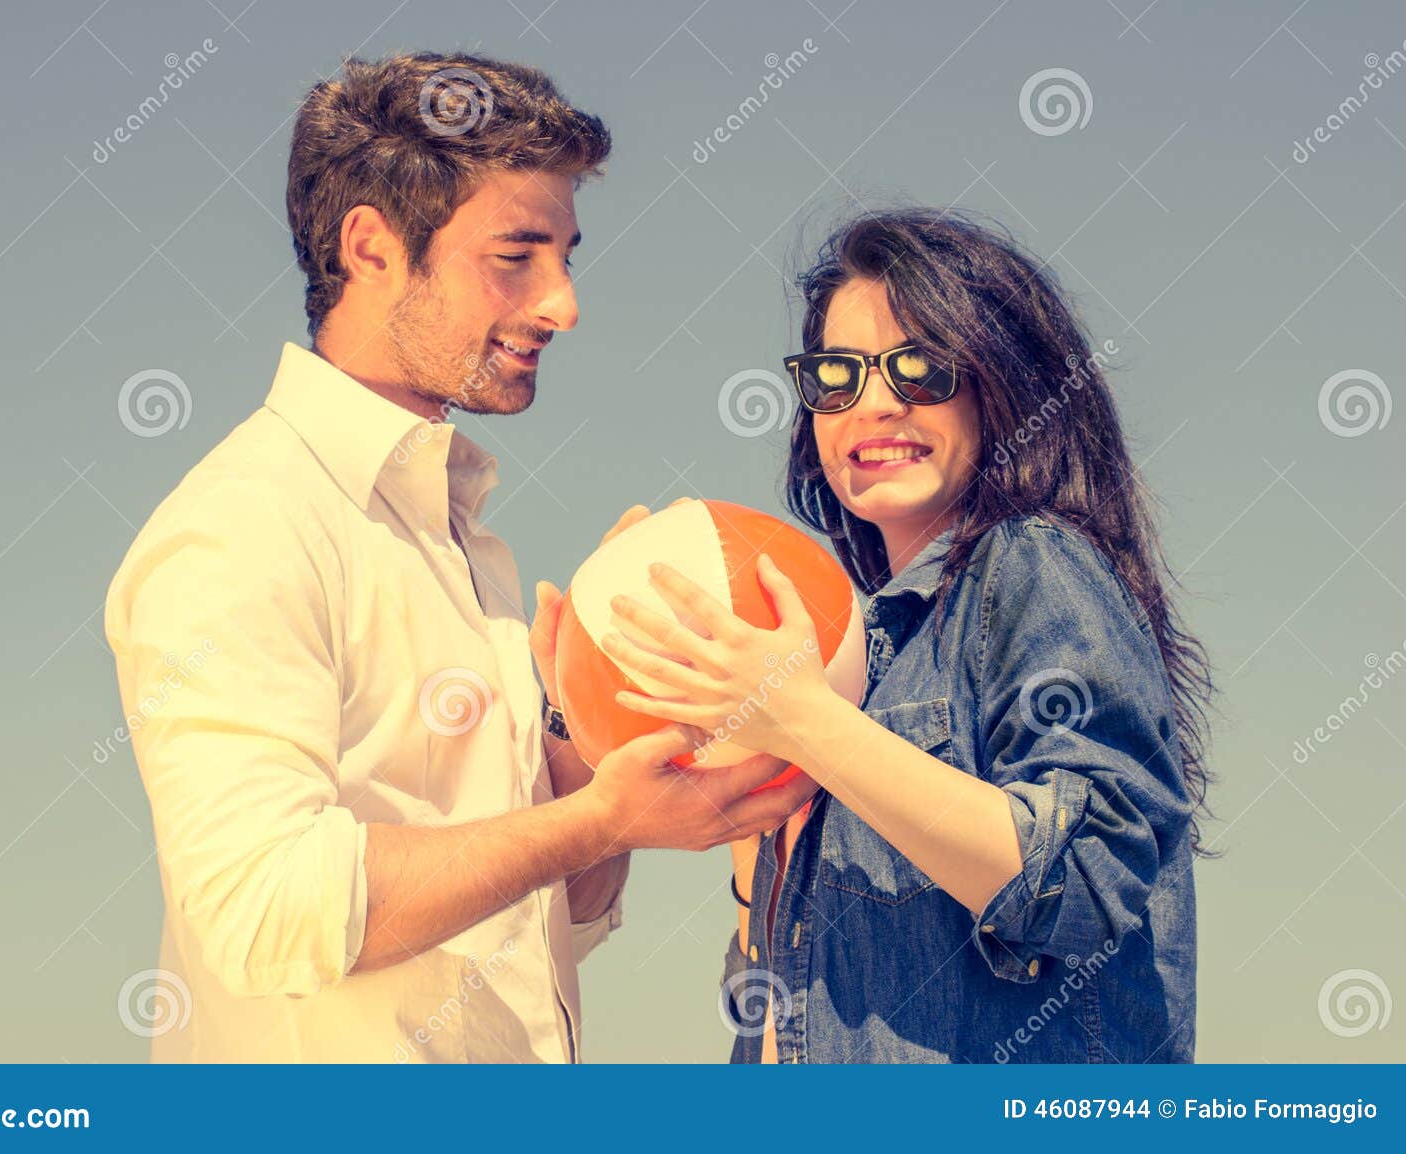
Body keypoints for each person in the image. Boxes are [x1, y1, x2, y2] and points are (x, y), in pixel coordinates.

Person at [103, 52, 815, 1063]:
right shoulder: (244, 523)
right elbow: (264, 908)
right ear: (371, 248)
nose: (562, 303)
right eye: (515, 256)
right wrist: (593, 819)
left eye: (567, 256)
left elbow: (549, 916)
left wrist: (584, 730)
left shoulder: (458, 534)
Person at [601, 208, 1213, 1063]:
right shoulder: (853, 661)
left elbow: (1083, 880)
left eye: (921, 369)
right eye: (834, 376)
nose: (874, 405)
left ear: (1006, 384)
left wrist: (803, 721)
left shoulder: (1031, 562)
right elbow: (777, 1017)